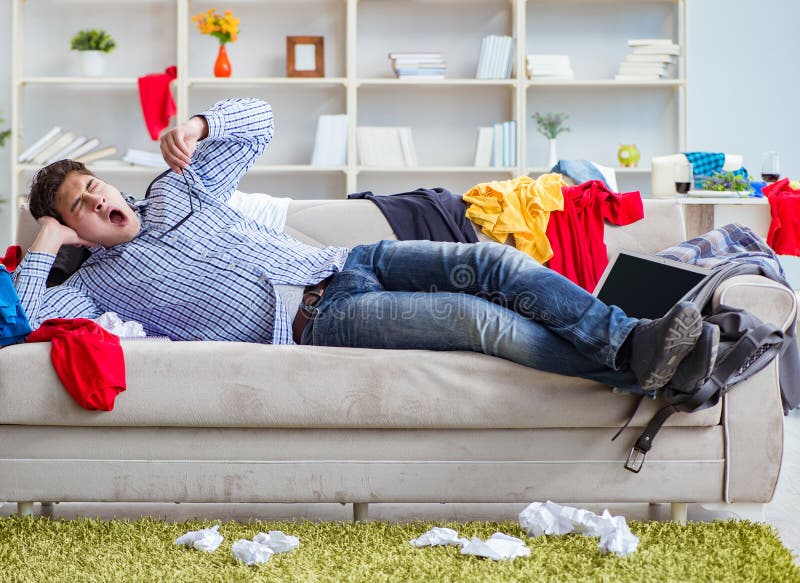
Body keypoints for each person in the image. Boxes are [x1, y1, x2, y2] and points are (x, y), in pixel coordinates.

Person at [15, 98, 717, 395]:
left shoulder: (176, 189)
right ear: (74, 229)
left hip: (351, 262)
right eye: (79, 206)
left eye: (94, 185)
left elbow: (259, 122)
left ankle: (633, 342)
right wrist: (45, 239)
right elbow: (21, 324)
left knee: (497, 263)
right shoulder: (93, 286)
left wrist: (200, 124)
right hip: (316, 319)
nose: (98, 200)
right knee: (480, 322)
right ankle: (644, 367)